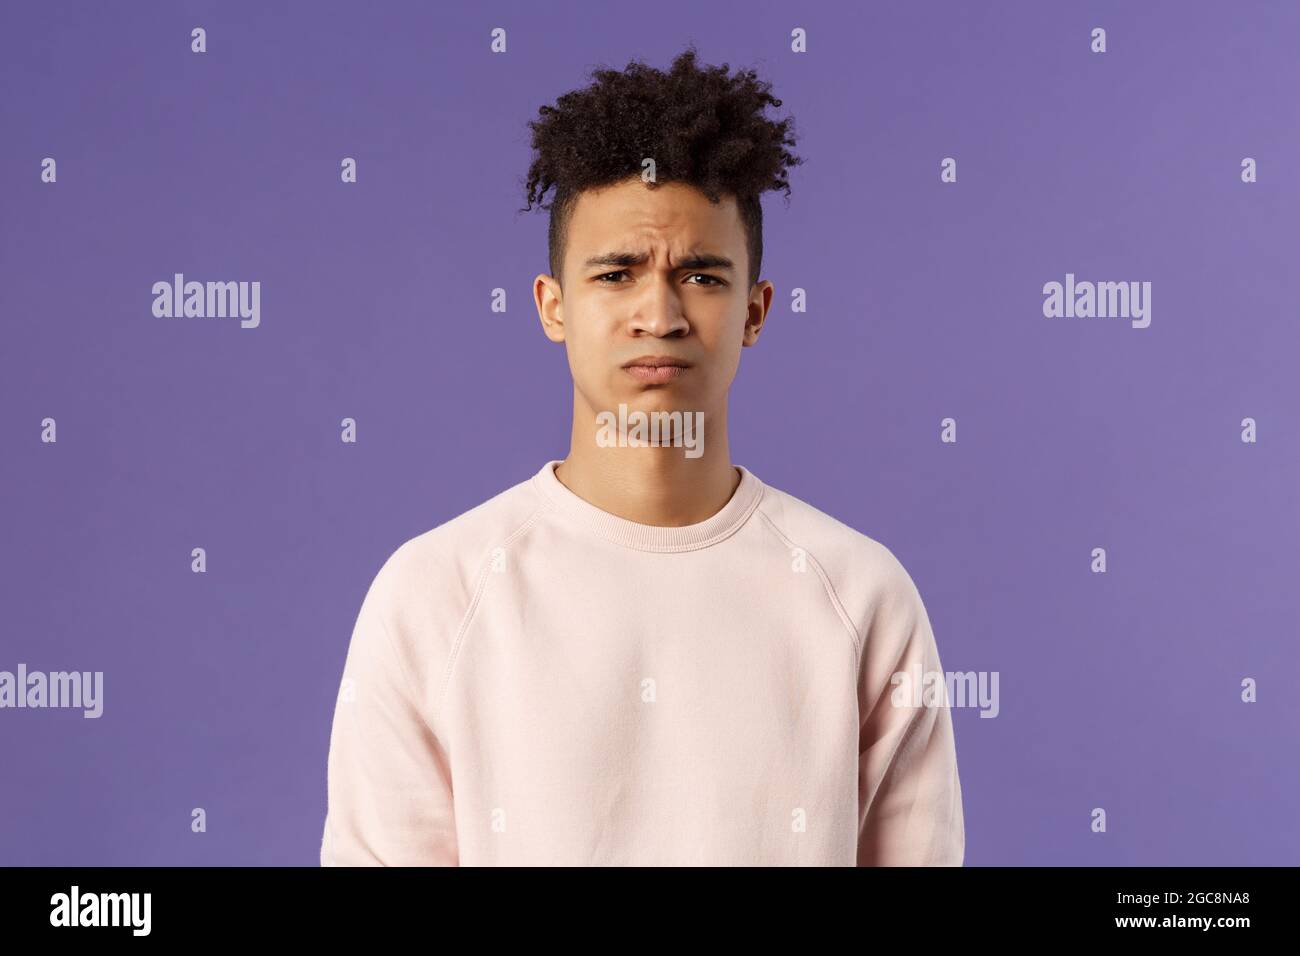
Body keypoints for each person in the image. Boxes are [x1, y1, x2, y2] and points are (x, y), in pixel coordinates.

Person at [320, 45, 964, 866]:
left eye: (701, 275)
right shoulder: (432, 596)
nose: (658, 314)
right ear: (553, 306)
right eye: (616, 273)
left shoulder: (865, 599)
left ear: (756, 311)